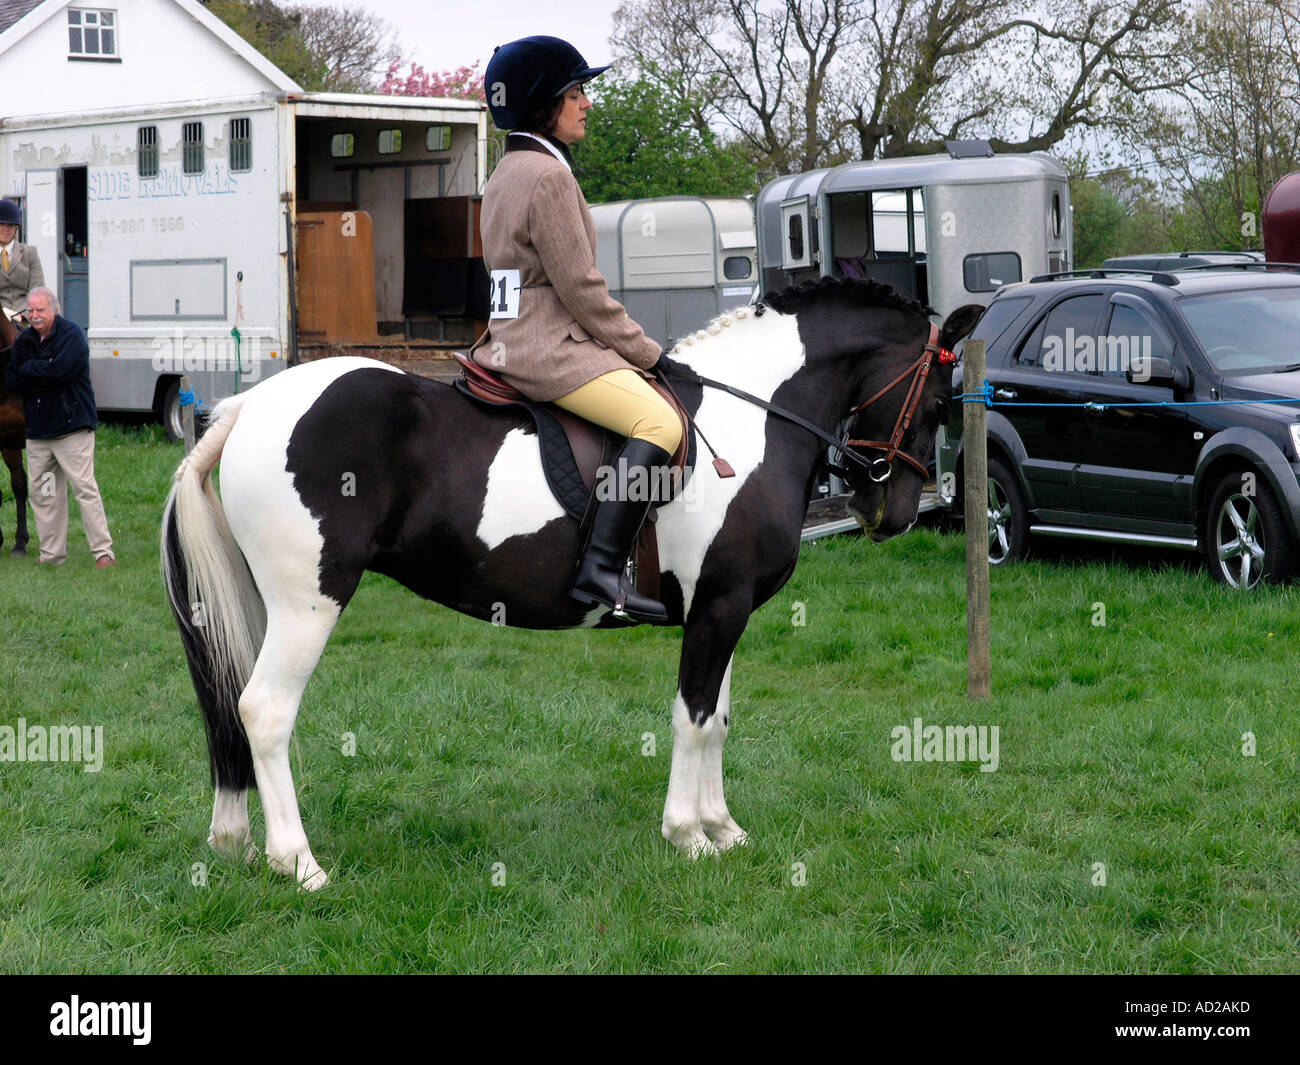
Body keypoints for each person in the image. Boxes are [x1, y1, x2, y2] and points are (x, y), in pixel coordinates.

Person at [469, 35, 682, 625]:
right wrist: (646, 352)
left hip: (507, 338)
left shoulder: (507, 170)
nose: (586, 102)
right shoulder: (548, 177)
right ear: (545, 104)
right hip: (548, 348)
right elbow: (582, 293)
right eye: (576, 91)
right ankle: (602, 570)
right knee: (659, 420)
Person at [4, 286, 115, 567]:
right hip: (40, 436)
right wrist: (44, 369)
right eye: (31, 311)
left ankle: (103, 552)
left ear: (54, 309)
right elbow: (13, 380)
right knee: (46, 494)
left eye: (40, 310)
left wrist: (34, 370)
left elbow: (62, 371)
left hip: (71, 431)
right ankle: (52, 554)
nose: (35, 315)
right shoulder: (26, 341)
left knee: (84, 489)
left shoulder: (72, 336)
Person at [0, 198, 45, 323]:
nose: (6, 229)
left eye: (10, 225)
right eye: (2, 224)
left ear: (16, 228)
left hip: (26, 315)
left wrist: (24, 315)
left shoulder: (30, 253)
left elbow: (37, 289)